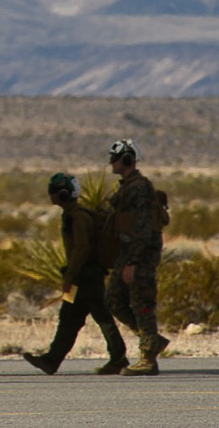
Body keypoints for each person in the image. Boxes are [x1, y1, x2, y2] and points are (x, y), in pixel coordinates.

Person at [22, 173, 127, 375]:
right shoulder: (74, 214)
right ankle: (52, 360)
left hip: (85, 277)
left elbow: (81, 248)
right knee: (69, 318)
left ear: (62, 194)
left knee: (102, 316)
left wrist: (69, 277)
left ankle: (118, 357)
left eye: (53, 192)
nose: (51, 196)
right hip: (81, 276)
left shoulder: (77, 217)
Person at [104, 139, 170, 376]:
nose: (111, 163)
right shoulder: (126, 187)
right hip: (127, 255)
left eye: (115, 158)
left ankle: (148, 359)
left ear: (128, 160)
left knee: (143, 305)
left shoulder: (140, 188)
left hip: (139, 257)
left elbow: (142, 228)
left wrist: (133, 262)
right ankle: (150, 340)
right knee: (114, 300)